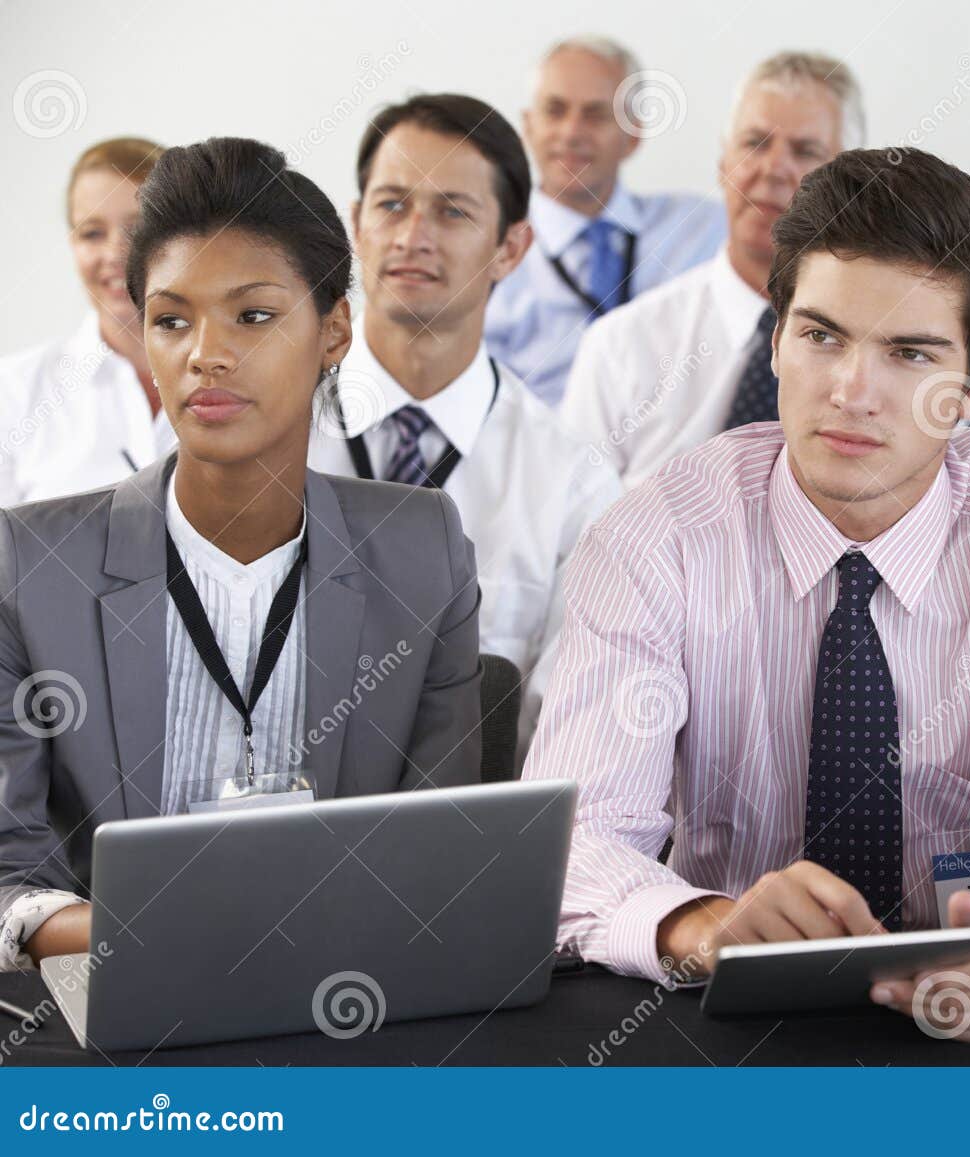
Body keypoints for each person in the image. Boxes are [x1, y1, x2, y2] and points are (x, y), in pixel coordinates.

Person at [525, 148, 970, 1043]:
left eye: (909, 353)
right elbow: (573, 838)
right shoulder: (655, 536)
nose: (850, 392)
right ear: (777, 335)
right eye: (822, 335)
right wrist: (703, 925)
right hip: (731, 1029)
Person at [0, 138, 483, 971]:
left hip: (343, 1003)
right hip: (112, 1007)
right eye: (172, 318)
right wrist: (167, 934)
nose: (204, 353)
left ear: (334, 329)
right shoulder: (29, 562)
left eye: (253, 316)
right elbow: (9, 876)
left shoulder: (424, 549)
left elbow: (441, 857)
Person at [308, 94, 620, 758]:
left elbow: (564, 733)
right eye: (391, 204)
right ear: (357, 224)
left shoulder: (573, 481)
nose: (412, 235)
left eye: (452, 211)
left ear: (511, 247)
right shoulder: (269, 431)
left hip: (477, 841)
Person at [559, 51, 863, 488]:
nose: (773, 168)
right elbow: (573, 539)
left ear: (848, 185)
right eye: (755, 143)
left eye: (805, 150)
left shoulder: (881, 357)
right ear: (723, 164)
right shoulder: (622, 347)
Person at [484, 37, 726, 405]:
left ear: (633, 135)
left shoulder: (702, 229)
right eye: (555, 110)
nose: (571, 133)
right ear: (528, 127)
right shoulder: (483, 248)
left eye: (596, 115)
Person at [0, 138, 167, 505]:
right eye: (92, 233)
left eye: (139, 228)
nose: (115, 254)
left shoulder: (255, 379)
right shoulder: (12, 394)